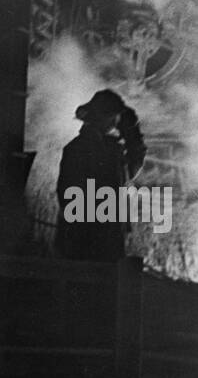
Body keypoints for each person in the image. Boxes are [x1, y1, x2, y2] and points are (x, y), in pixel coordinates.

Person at [53, 89, 146, 261]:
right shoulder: (110, 152)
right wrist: (133, 135)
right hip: (101, 242)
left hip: (77, 241)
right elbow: (132, 168)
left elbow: (66, 197)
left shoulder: (76, 148)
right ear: (108, 117)